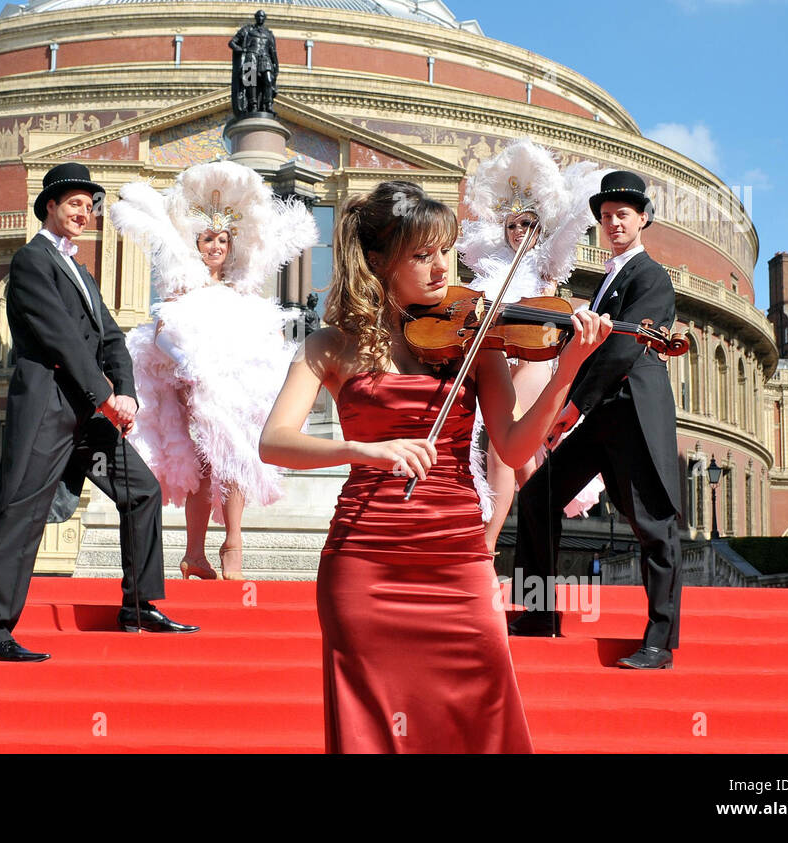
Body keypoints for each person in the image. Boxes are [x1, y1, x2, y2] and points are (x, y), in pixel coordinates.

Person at [259, 180, 612, 753]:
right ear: (378, 262)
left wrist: (570, 365)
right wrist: (363, 450)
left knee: (484, 716)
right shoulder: (332, 344)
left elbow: (517, 446)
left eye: (445, 250)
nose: (440, 268)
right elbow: (274, 442)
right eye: (421, 255)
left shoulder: (480, 335)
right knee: (373, 731)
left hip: (458, 558)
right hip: (365, 560)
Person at [0, 162, 197, 659]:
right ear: (49, 206)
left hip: (90, 419)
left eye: (88, 205)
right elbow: (62, 339)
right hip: (49, 408)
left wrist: (128, 391)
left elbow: (110, 337)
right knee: (22, 512)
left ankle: (138, 606)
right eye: (73, 202)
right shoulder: (31, 261)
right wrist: (105, 394)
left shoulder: (81, 269)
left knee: (142, 492)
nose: (83, 212)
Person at [508, 170, 684, 671]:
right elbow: (589, 348)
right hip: (601, 413)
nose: (613, 224)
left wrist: (571, 406)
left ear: (643, 218)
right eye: (606, 217)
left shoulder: (651, 276)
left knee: (652, 524)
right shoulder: (607, 279)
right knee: (539, 494)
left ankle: (660, 640)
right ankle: (541, 612)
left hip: (632, 412)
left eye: (622, 216)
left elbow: (624, 346)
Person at [111, 160, 316, 581]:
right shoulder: (181, 292)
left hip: (238, 389)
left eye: (222, 240)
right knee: (204, 466)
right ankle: (194, 552)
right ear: (196, 244)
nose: (215, 246)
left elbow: (268, 341)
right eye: (208, 239)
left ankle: (233, 542)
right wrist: (190, 365)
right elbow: (164, 335)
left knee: (237, 459)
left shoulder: (243, 295)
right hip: (194, 386)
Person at [457, 139, 609, 551]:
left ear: (538, 228)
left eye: (526, 224)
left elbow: (547, 316)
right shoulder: (489, 266)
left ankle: (485, 550)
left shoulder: (544, 266)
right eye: (512, 225)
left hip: (530, 363)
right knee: (522, 461)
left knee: (504, 454)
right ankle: (540, 542)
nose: (518, 232)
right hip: (494, 363)